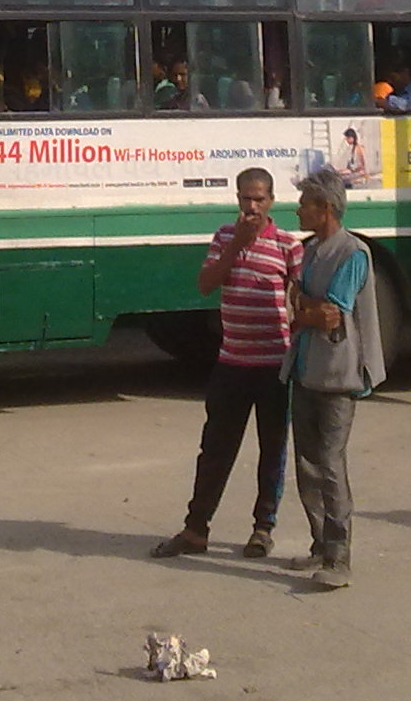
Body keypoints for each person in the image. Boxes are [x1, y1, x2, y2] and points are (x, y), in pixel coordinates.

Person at [150, 170, 306, 563]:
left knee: (273, 449)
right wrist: (238, 244)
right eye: (244, 199)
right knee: (216, 449)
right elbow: (205, 284)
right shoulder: (224, 237)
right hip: (231, 363)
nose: (250, 207)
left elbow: (302, 299)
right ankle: (196, 528)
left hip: (274, 365)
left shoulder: (288, 245)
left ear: (271, 201)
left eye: (258, 199)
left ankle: (262, 528)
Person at [285, 168, 385, 589]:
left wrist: (303, 309)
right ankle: (319, 545)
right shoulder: (310, 251)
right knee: (306, 464)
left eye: (305, 203)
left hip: (339, 374)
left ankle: (339, 556)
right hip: (306, 370)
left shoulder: (353, 253)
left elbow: (331, 313)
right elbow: (300, 302)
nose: (299, 209)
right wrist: (307, 308)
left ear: (326, 209)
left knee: (329, 463)